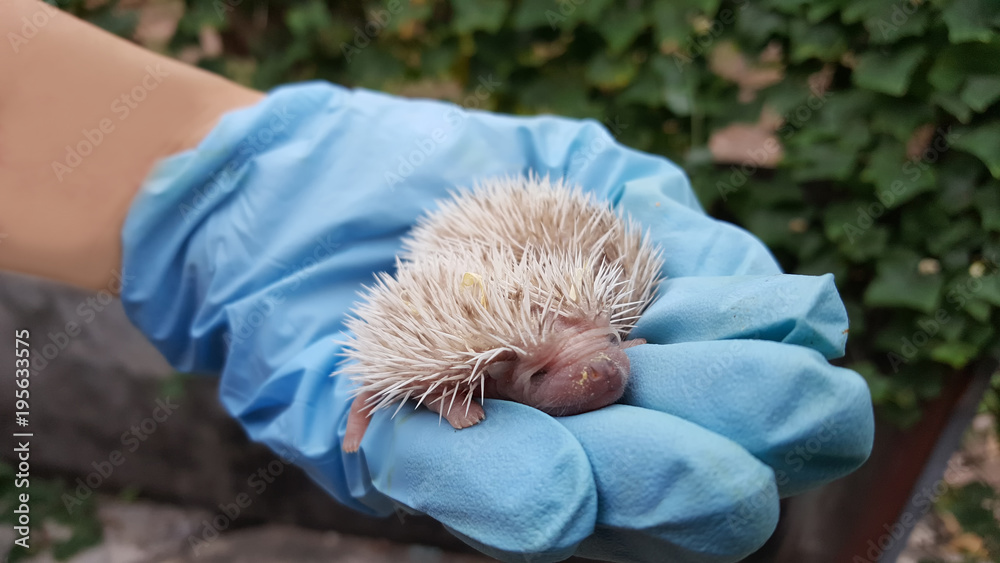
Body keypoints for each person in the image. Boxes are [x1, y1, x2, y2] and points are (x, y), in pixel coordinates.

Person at [0, 2, 874, 562]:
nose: (599, 370)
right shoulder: (455, 373)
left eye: (605, 342)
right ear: (474, 392)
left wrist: (202, 160)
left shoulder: (581, 300)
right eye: (536, 373)